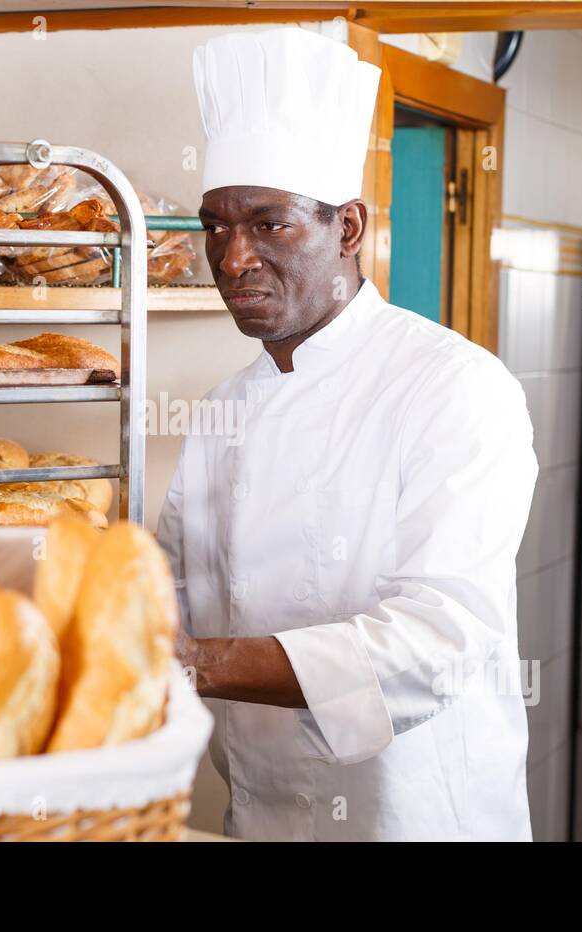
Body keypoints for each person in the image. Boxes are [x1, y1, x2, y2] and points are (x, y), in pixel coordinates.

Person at [156, 27, 539, 841]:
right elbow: (170, 586)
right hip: (258, 809)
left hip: (411, 814)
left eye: (268, 224)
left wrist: (192, 663)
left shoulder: (454, 388)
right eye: (215, 227)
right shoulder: (224, 408)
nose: (231, 259)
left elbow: (438, 636)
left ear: (350, 229)